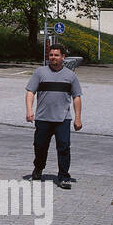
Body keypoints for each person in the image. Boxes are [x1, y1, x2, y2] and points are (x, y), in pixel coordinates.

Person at [25, 44, 83, 189]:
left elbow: (77, 97)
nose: (53, 58)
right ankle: (38, 170)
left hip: (62, 119)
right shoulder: (40, 72)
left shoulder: (70, 76)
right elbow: (30, 92)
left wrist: (77, 118)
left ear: (63, 57)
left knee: (63, 147)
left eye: (56, 55)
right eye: (51, 55)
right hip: (43, 118)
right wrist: (29, 110)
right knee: (39, 146)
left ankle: (63, 177)